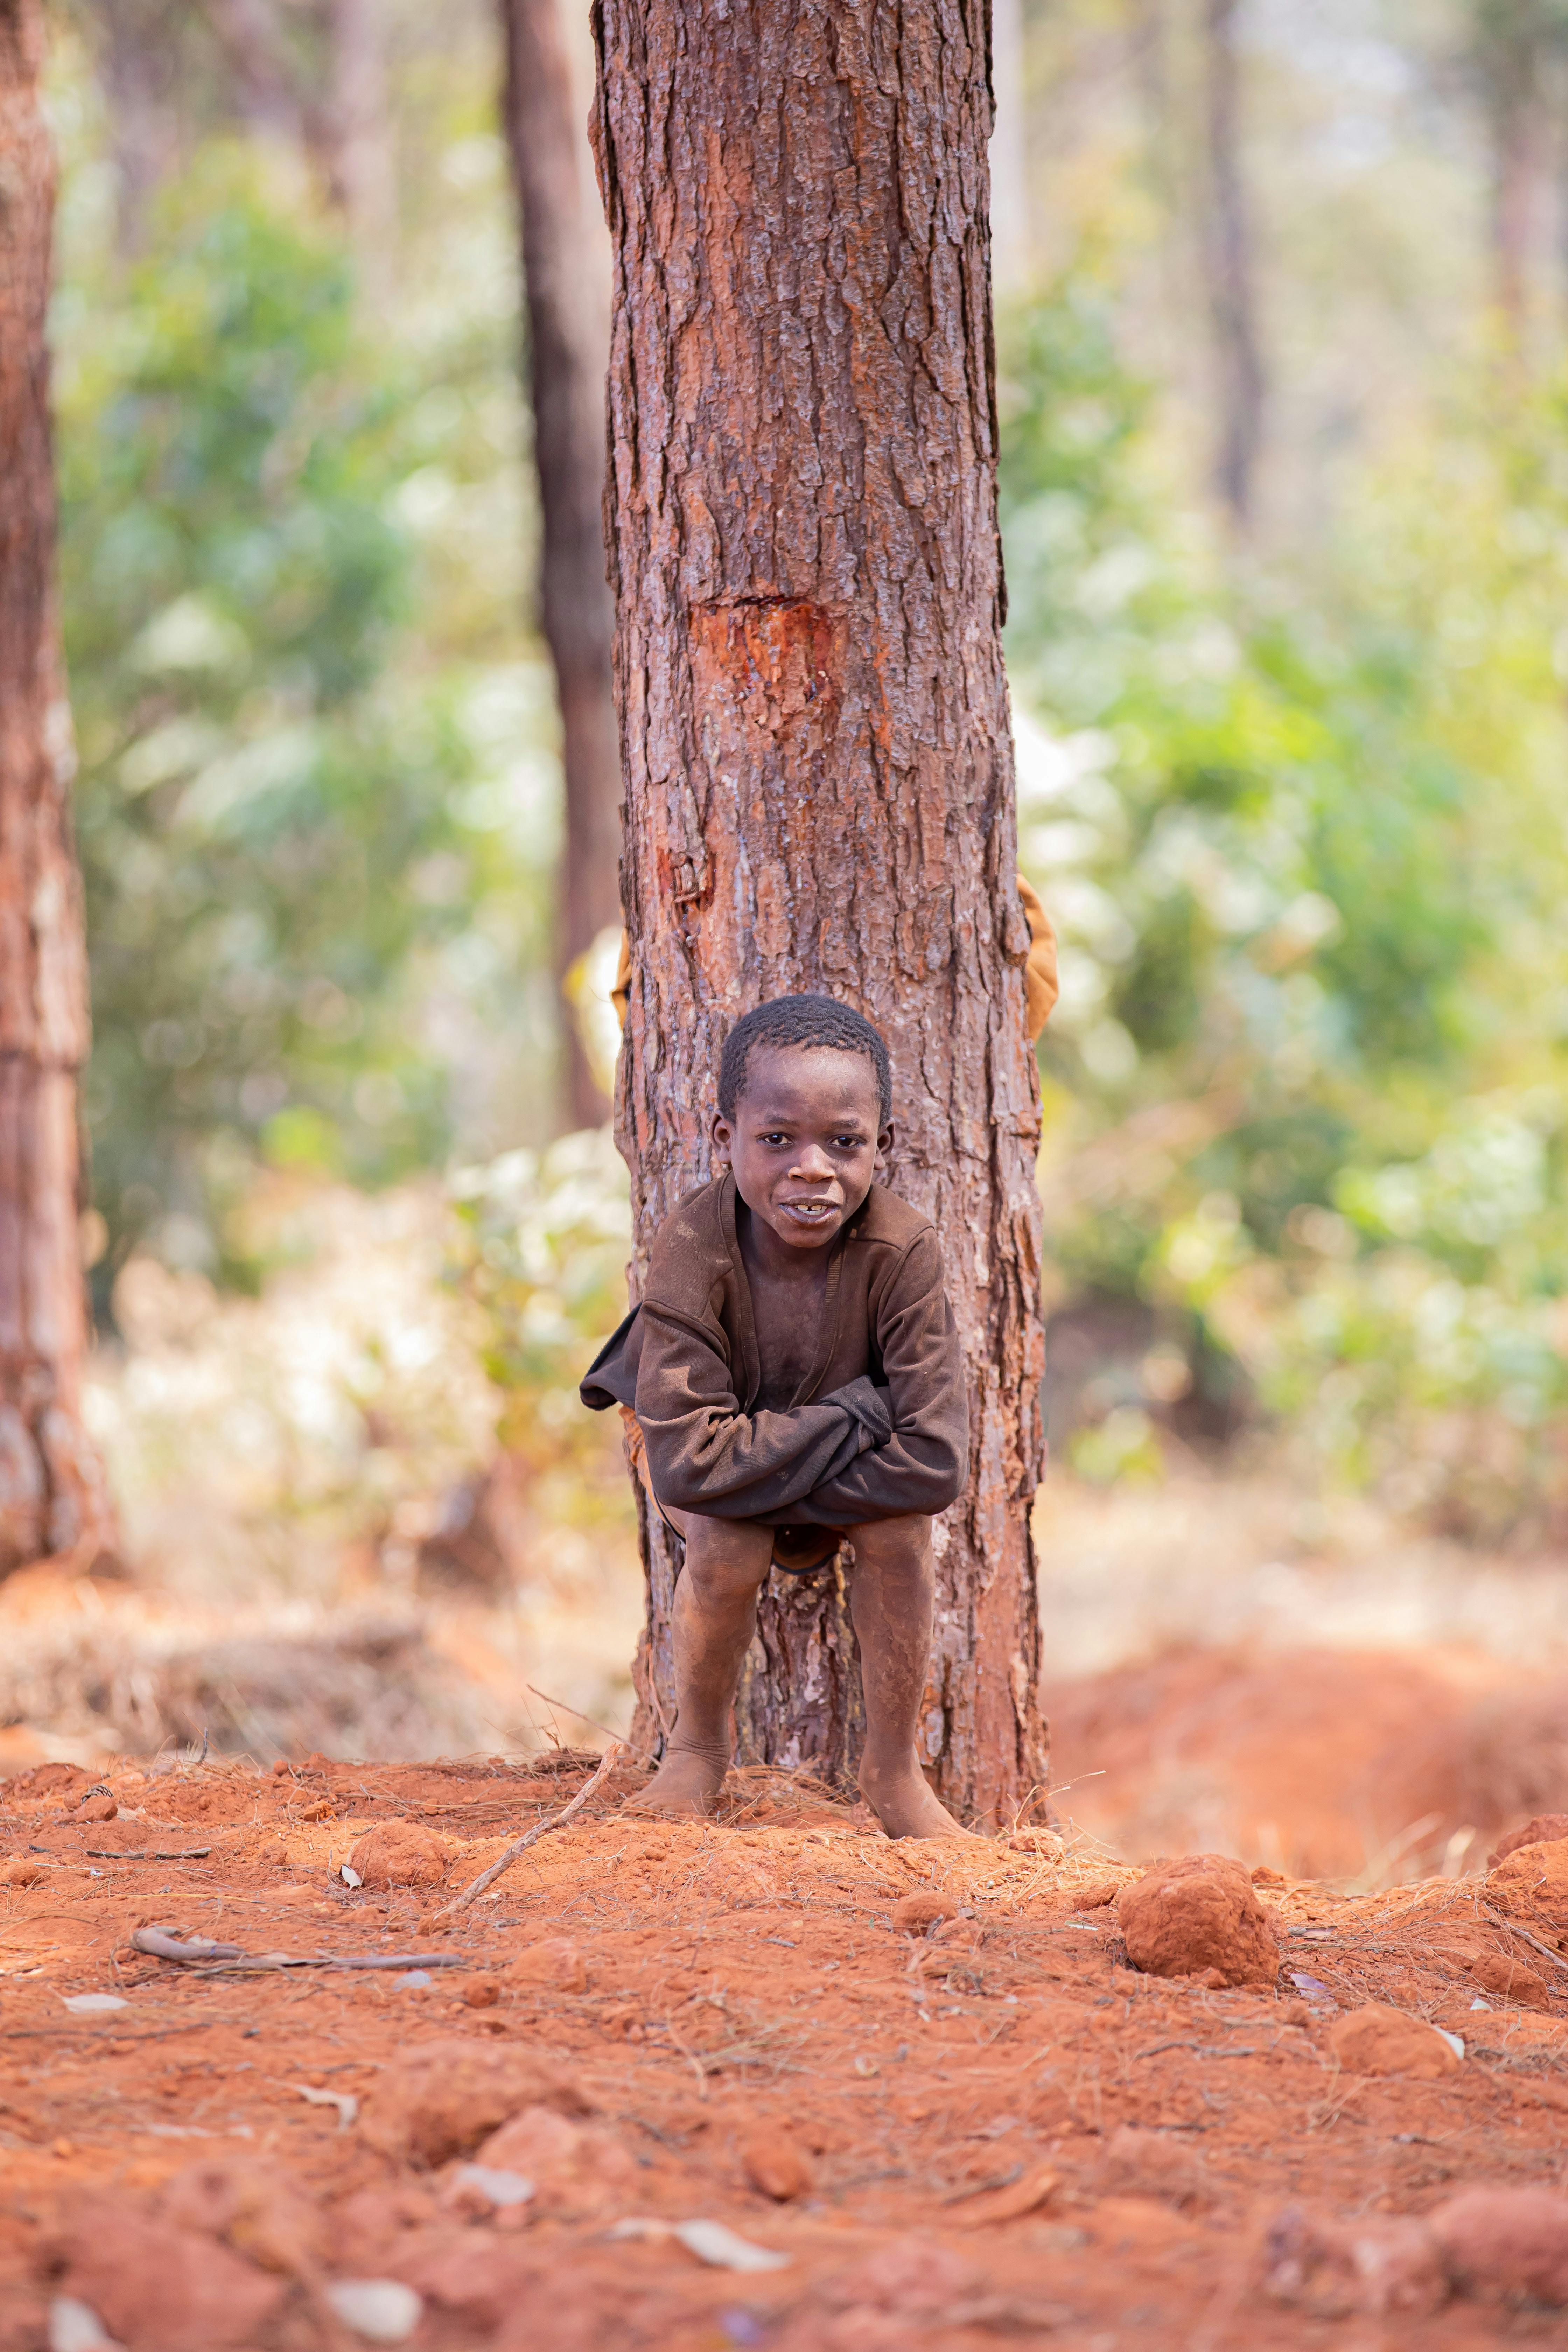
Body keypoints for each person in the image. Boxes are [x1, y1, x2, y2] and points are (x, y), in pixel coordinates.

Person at [580, 994, 975, 1838]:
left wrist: (764, 1469)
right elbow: (686, 1467)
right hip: (749, 1482)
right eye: (776, 1139)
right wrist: (862, 1411)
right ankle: (696, 1751)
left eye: (843, 1142)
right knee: (723, 1537)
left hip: (766, 1468)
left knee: (901, 1535)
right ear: (725, 1140)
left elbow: (936, 1463)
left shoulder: (904, 1251)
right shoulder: (691, 1245)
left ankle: (893, 1771)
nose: (811, 1167)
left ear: (883, 1147)